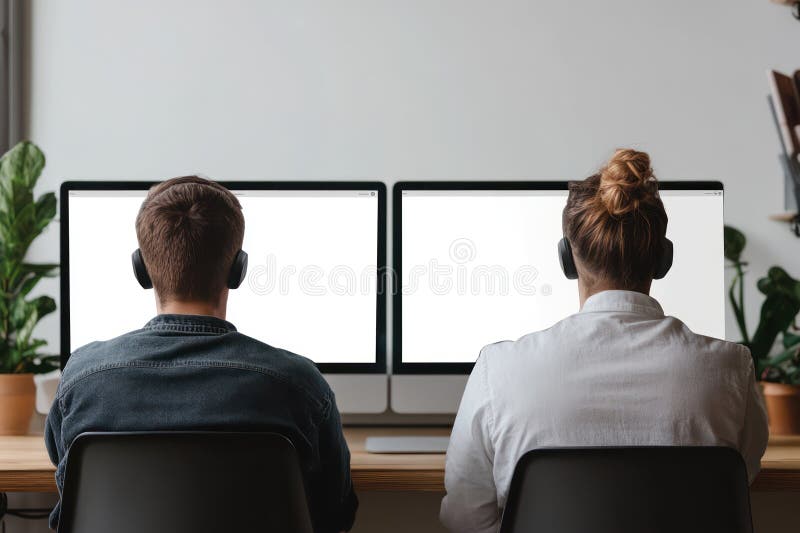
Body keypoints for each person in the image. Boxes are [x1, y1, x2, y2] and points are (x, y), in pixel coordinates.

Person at [439, 149, 769, 533]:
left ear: (566, 258)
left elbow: (464, 518)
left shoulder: (500, 370)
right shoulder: (730, 368)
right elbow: (734, 484)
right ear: (664, 259)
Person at [45, 176, 357, 532]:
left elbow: (68, 492)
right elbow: (336, 516)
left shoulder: (82, 380)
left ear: (141, 270)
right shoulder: (299, 386)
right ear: (238, 268)